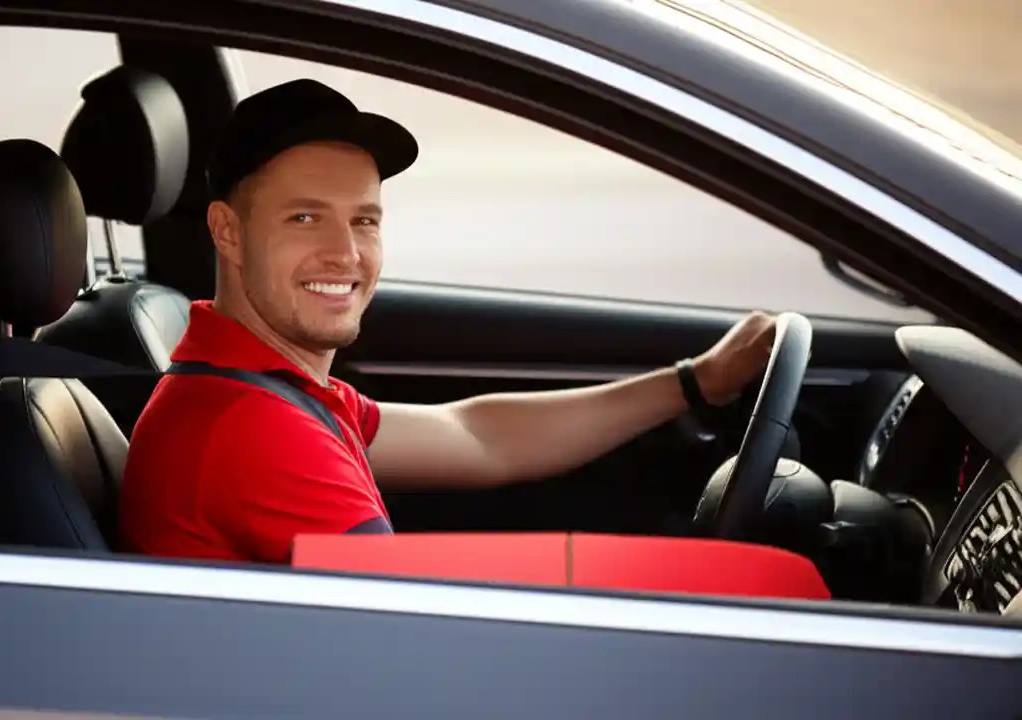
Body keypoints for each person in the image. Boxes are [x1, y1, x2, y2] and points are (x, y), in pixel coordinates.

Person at [119, 79, 775, 564]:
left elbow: (480, 437)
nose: (346, 254)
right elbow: (424, 634)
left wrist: (692, 383)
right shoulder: (252, 430)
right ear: (227, 232)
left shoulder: (256, 387)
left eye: (365, 220)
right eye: (305, 217)